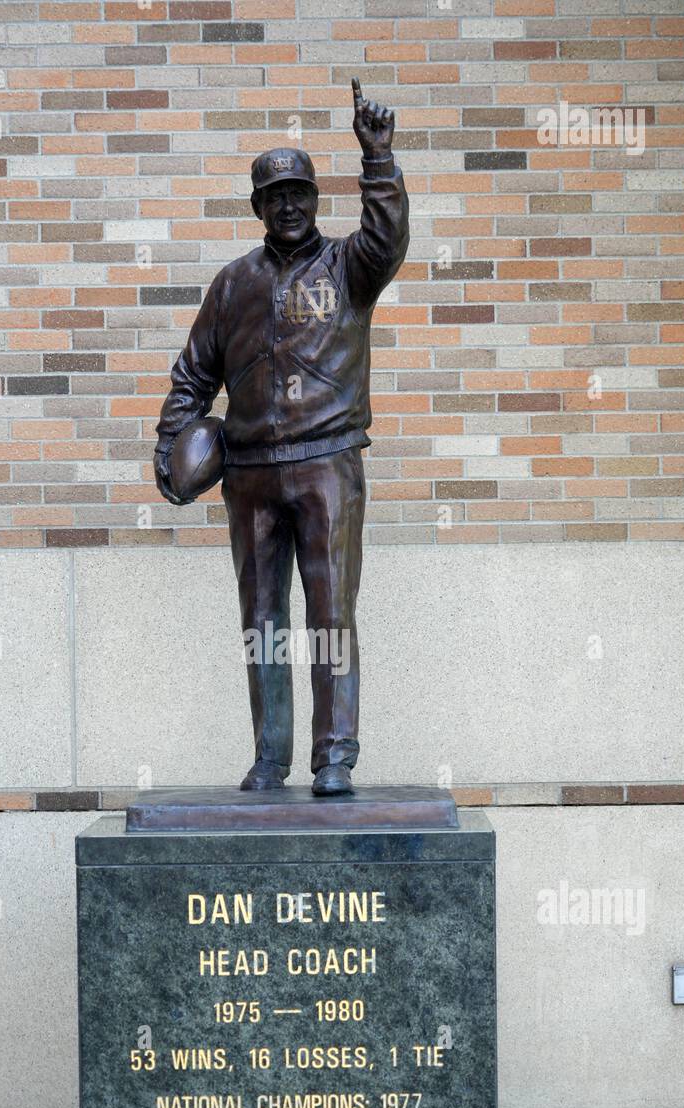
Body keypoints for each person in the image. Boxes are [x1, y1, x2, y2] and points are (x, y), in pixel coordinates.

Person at [155, 79, 409, 796]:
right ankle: (271, 756)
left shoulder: (350, 268)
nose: (290, 204)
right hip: (251, 476)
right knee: (263, 622)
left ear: (316, 199)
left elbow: (388, 236)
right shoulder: (232, 284)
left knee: (329, 616)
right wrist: (171, 452)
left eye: (300, 192)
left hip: (328, 466)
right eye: (276, 196)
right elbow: (193, 376)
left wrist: (379, 159)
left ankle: (334, 757)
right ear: (259, 206)